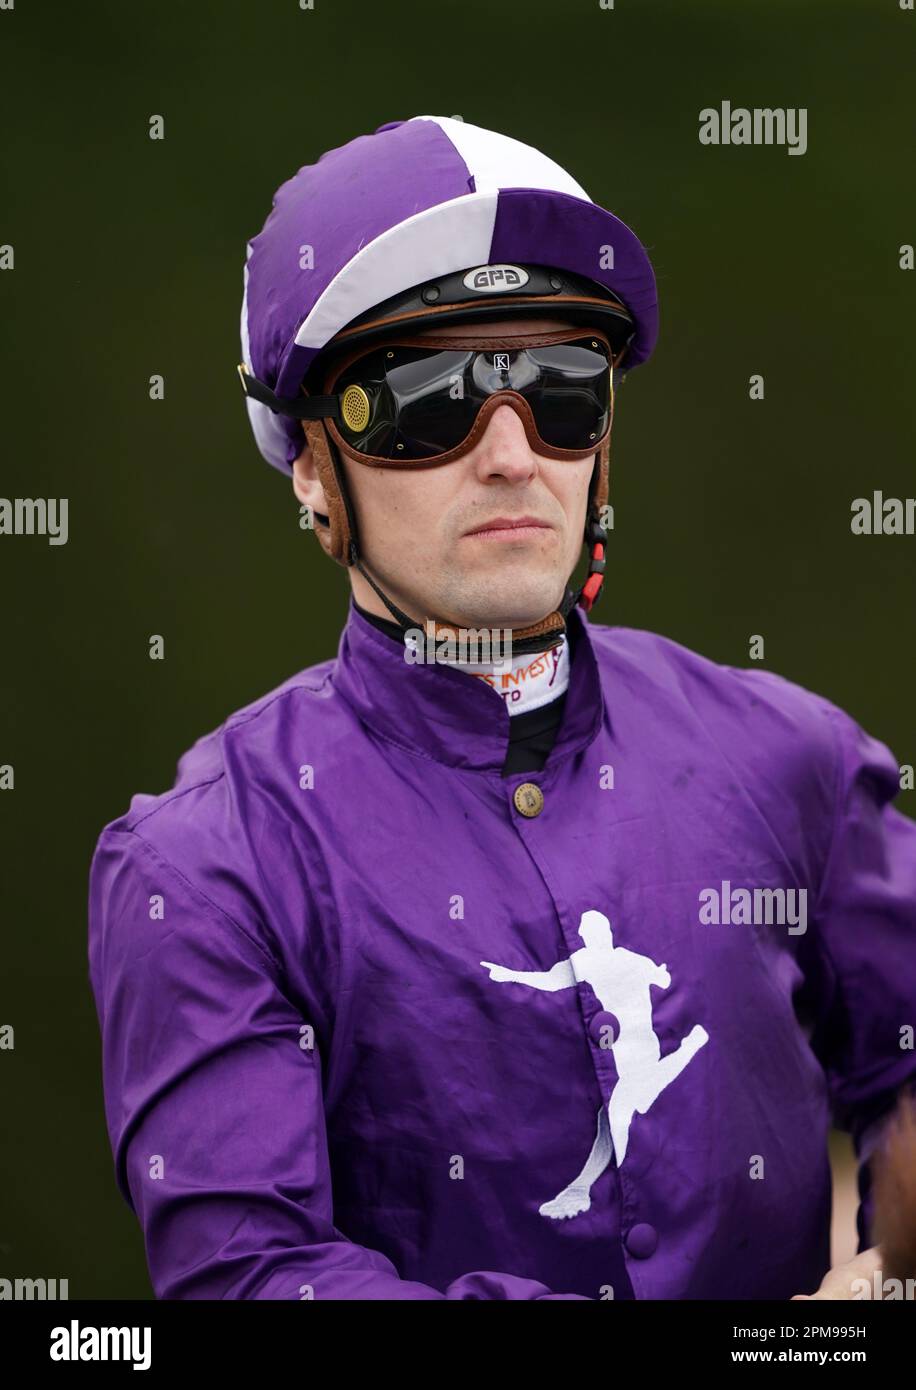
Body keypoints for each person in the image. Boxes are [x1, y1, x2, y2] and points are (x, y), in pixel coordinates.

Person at [88, 115, 916, 1301]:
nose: (513, 452)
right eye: (429, 397)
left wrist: (890, 1262)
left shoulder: (790, 754)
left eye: (562, 386)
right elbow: (253, 1278)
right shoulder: (206, 859)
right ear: (313, 470)